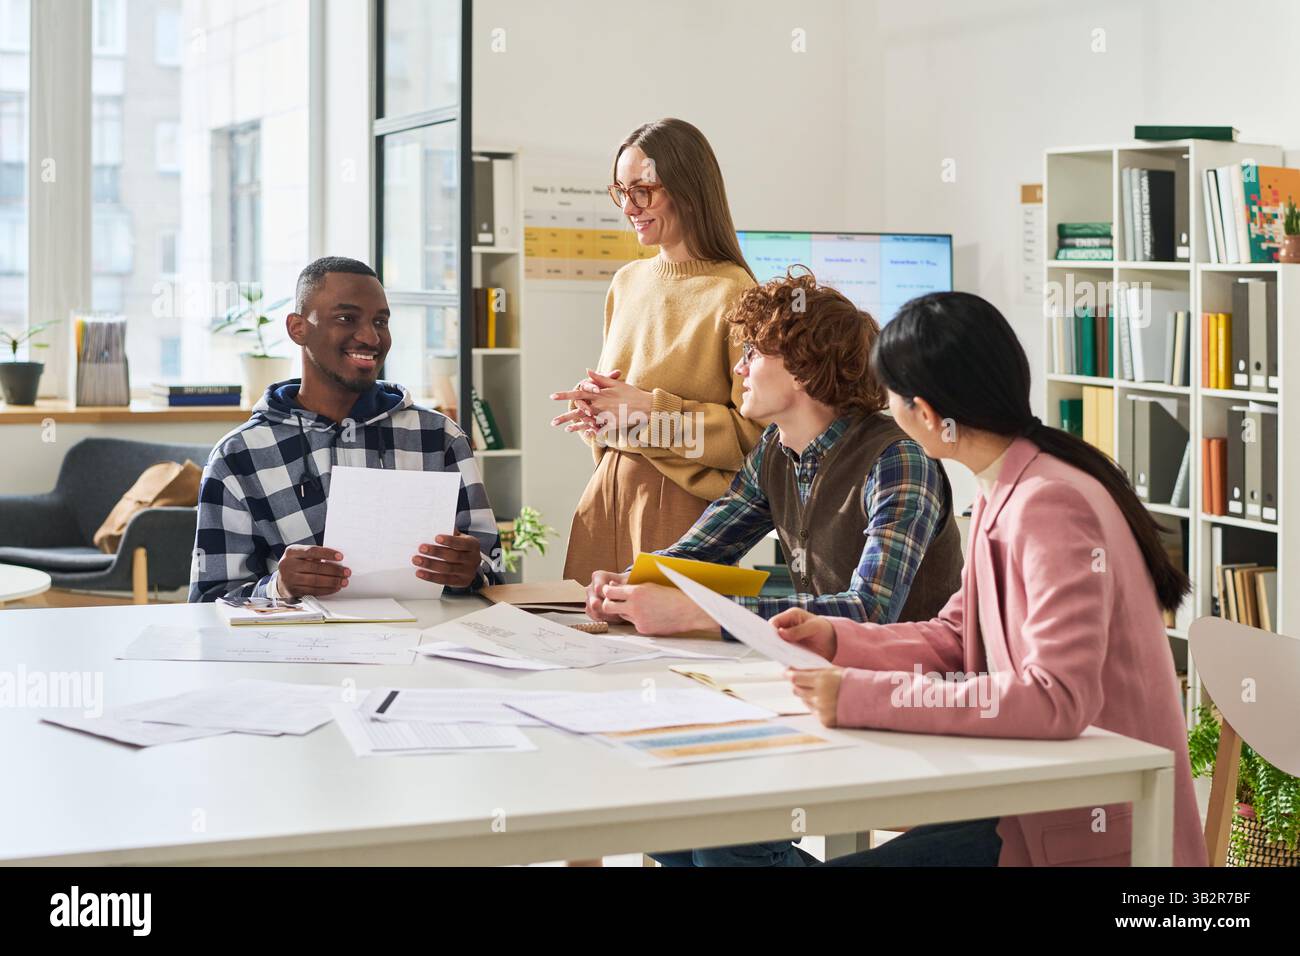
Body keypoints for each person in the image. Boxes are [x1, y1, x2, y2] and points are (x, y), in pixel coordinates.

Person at [773, 291, 1207, 867]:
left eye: (892, 399)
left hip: (1088, 827)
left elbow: (1057, 698)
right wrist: (837, 639)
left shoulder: (1046, 502)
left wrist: (859, 696)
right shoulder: (1011, 481)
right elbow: (959, 635)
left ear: (926, 414)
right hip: (1033, 799)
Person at [189, 256, 500, 603]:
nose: (371, 337)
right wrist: (279, 587)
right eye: (346, 318)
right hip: (297, 653)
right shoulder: (238, 457)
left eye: (380, 321)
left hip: (423, 648)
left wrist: (472, 569)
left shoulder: (440, 437)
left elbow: (493, 568)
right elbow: (208, 601)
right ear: (298, 329)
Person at [551, 118, 764, 585]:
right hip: (605, 495)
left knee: (667, 655)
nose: (629, 207)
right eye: (621, 191)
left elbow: (756, 439)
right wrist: (601, 413)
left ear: (689, 189)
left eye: (643, 190)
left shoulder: (736, 294)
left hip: (683, 511)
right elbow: (623, 413)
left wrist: (649, 412)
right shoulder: (626, 282)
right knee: (582, 647)